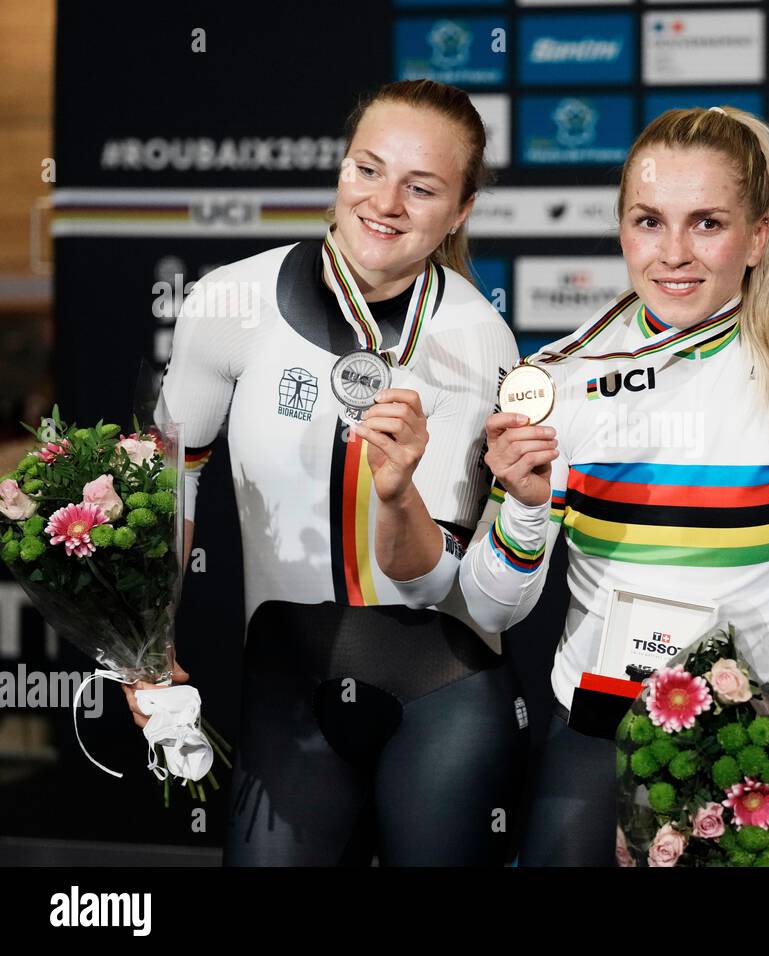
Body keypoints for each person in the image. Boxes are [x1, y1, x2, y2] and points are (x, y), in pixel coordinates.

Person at [364, 106, 769, 865]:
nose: (674, 254)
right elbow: (488, 607)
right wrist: (523, 505)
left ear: (759, 237)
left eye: (707, 223)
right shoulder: (556, 381)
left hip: (750, 746)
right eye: (649, 221)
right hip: (588, 742)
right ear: (621, 230)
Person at [123, 80, 528, 865]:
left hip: (445, 694)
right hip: (287, 688)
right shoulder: (229, 301)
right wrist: (145, 646)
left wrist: (397, 488)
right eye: (367, 169)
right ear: (339, 169)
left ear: (461, 210)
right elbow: (165, 481)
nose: (386, 202)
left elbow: (445, 575)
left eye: (423, 187)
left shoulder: (481, 340)